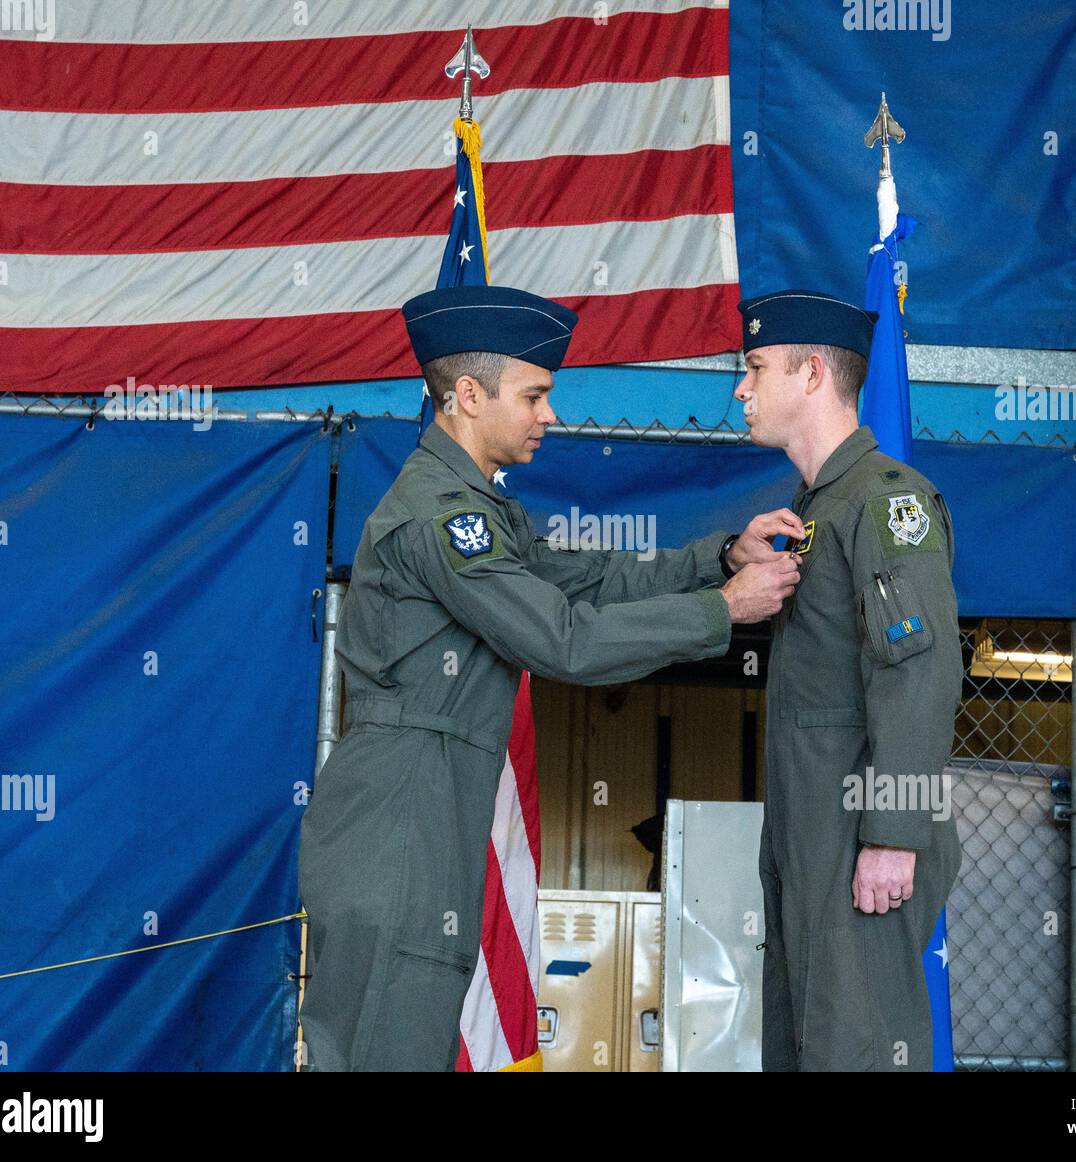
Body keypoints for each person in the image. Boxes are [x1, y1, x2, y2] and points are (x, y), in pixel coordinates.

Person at [297, 283, 801, 1071]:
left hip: (427, 814)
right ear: (468, 395)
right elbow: (563, 640)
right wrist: (722, 611)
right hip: (403, 824)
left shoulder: (477, 511)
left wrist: (717, 559)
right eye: (534, 396)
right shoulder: (440, 518)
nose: (549, 415)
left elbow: (582, 581)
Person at [728, 288, 964, 1072]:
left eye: (755, 368)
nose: (741, 388)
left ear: (812, 375)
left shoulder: (886, 500)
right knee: (808, 1048)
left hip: (862, 833)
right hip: (811, 836)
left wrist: (894, 835)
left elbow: (922, 671)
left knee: (856, 1049)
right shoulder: (819, 509)